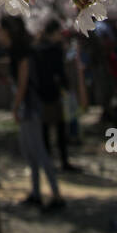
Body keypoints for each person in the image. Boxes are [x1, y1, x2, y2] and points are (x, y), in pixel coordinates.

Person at [0, 15, 64, 211]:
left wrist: (16, 106)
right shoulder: (15, 51)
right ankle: (36, 193)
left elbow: (24, 81)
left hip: (30, 106)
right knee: (29, 152)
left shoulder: (22, 52)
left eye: (0, 31)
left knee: (39, 151)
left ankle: (57, 194)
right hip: (26, 105)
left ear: (7, 31)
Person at [36, 19, 76, 172]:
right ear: (54, 32)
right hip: (53, 93)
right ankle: (63, 161)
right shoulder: (55, 50)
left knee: (45, 129)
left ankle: (47, 161)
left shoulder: (38, 48)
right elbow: (60, 72)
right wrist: (67, 87)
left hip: (41, 93)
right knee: (59, 128)